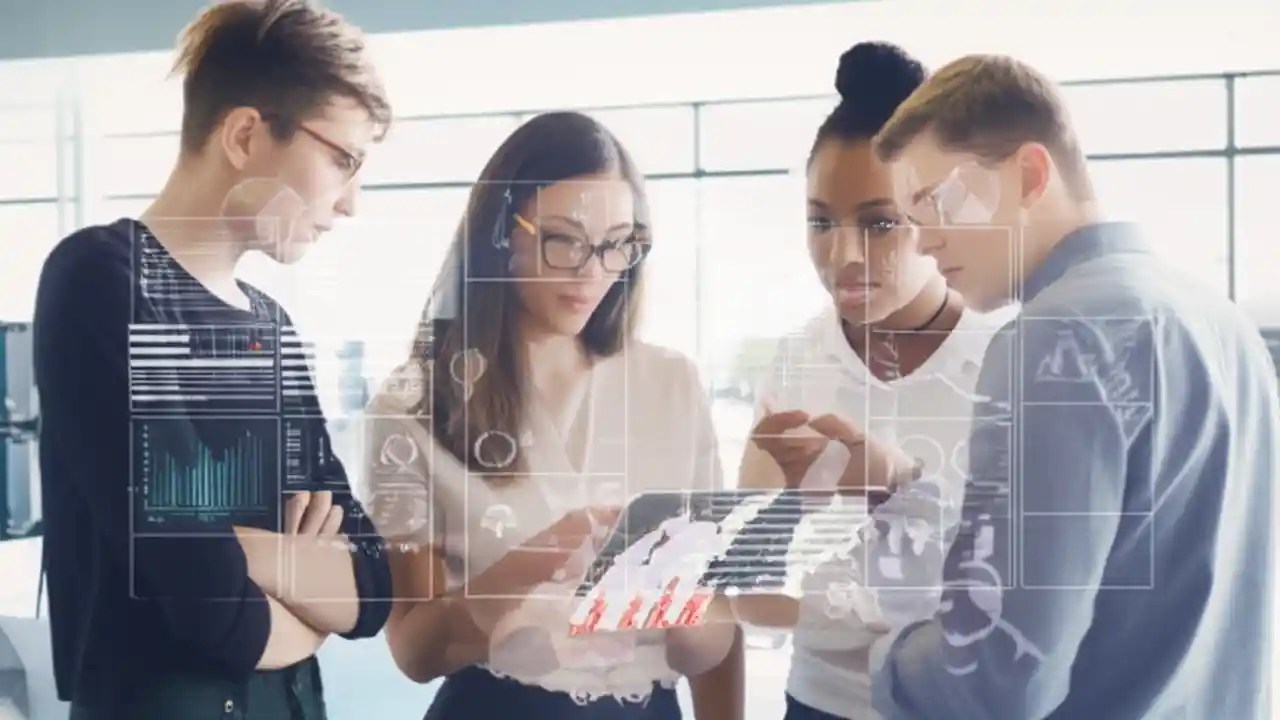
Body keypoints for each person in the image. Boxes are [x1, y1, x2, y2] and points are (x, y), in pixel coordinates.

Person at [857, 54, 1279, 718]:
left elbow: (998, 676)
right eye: (909, 218)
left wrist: (885, 658)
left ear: (1029, 174)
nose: (925, 242)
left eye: (936, 201)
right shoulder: (1226, 325)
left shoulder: (1054, 337)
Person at [32, 1, 393, 717]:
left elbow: (374, 586)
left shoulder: (271, 325)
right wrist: (298, 585)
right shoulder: (103, 282)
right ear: (245, 134)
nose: (350, 202)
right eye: (342, 160)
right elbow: (211, 605)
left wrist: (245, 554)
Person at [363, 111, 743, 720]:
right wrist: (520, 573)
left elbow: (719, 630)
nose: (592, 270)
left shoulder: (672, 383)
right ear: (498, 232)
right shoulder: (412, 406)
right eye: (563, 239)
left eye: (619, 243)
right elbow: (413, 650)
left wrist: (675, 601)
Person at [731, 43, 1007, 720]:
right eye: (820, 221)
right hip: (817, 704)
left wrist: (901, 488)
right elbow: (754, 600)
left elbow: (1028, 604)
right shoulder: (798, 362)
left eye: (880, 223)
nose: (842, 255)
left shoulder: (1007, 359)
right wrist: (790, 515)